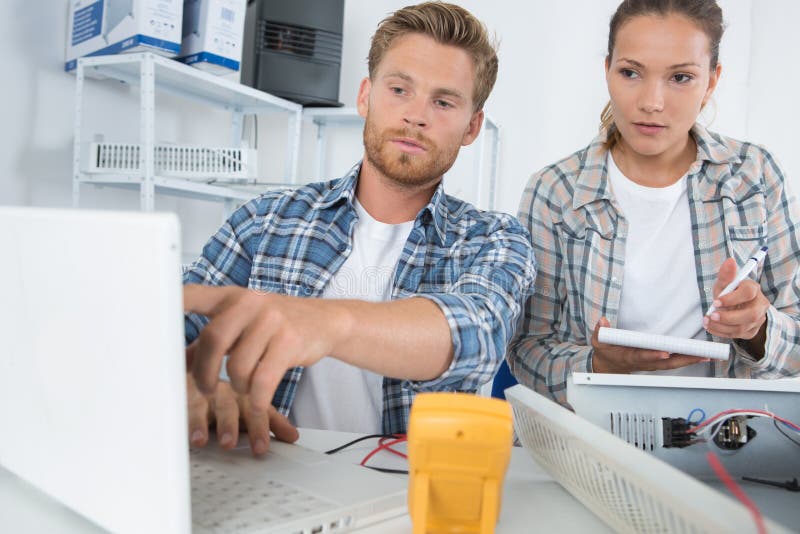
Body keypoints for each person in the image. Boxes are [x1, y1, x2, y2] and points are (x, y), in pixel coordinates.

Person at [184, 2, 536, 454]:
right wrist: (191, 386)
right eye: (399, 89)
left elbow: (475, 333)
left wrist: (328, 322)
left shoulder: (495, 239)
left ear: (472, 127)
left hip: (411, 501)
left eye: (443, 101)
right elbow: (162, 332)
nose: (416, 115)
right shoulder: (265, 221)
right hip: (268, 477)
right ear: (366, 95)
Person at [509, 0, 800, 406]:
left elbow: (796, 345)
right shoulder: (554, 191)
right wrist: (600, 365)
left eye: (680, 77)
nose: (652, 102)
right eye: (631, 72)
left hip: (728, 441)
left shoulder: (755, 176)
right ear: (607, 69)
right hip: (599, 442)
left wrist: (759, 329)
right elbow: (527, 351)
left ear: (712, 82)